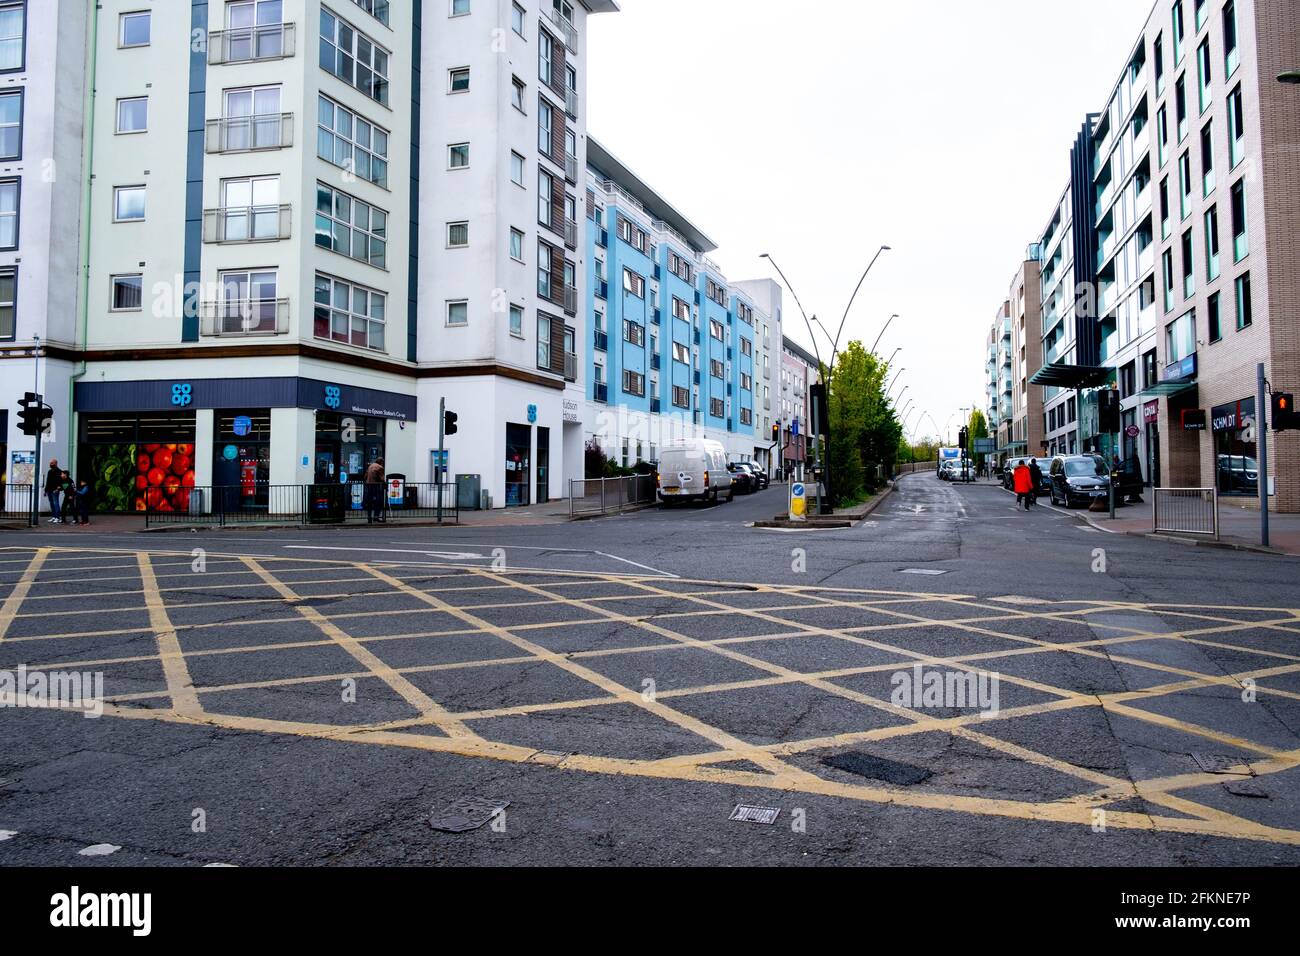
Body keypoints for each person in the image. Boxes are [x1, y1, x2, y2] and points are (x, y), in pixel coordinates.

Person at [363, 457, 386, 524]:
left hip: (369, 485)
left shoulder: (370, 466)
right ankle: (376, 517)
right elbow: (382, 478)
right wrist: (385, 484)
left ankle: (369, 518)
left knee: (369, 502)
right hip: (375, 486)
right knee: (379, 501)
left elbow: (365, 476)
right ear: (381, 462)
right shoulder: (380, 467)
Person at [44, 459, 62, 524]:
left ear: (56, 463)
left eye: (52, 463)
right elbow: (47, 481)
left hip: (55, 490)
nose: (51, 464)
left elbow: (61, 482)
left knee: (56, 503)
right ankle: (54, 516)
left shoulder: (59, 471)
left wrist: (58, 489)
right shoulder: (49, 471)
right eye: (50, 463)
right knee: (51, 503)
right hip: (49, 490)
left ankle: (58, 517)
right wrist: (45, 490)